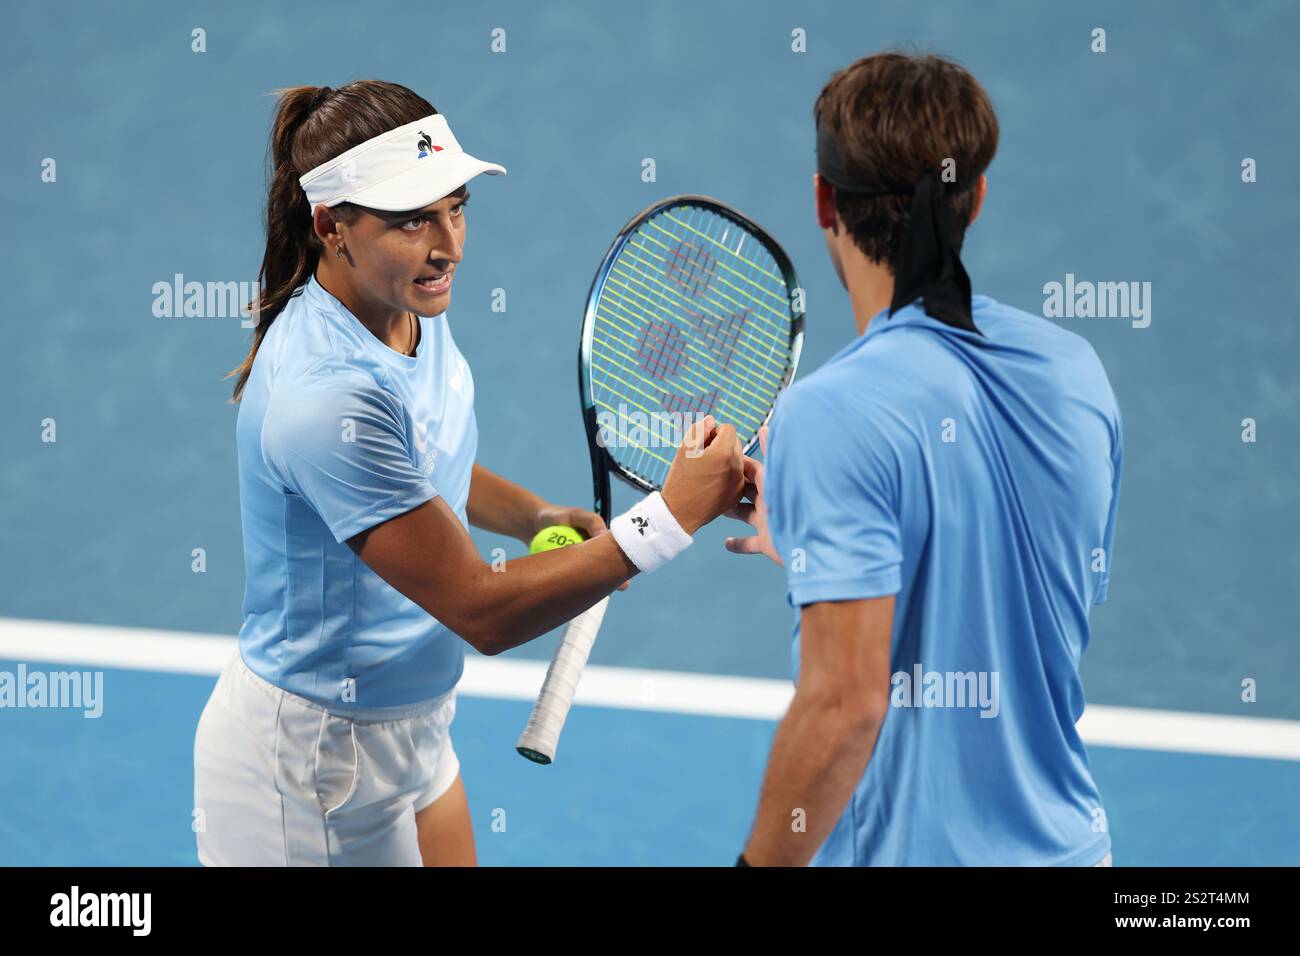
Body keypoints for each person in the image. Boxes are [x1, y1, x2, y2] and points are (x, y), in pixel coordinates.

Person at [194, 80, 744, 866]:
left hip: (413, 724)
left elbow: (420, 467)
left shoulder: (400, 307)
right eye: (411, 219)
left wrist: (529, 515)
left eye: (455, 207)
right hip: (314, 772)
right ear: (331, 226)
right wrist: (664, 523)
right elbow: (480, 612)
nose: (447, 244)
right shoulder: (325, 398)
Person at [725, 52, 1120, 867]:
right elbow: (1003, 575)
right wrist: (818, 536)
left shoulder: (830, 414)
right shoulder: (1075, 370)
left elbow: (845, 710)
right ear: (974, 199)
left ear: (824, 201)